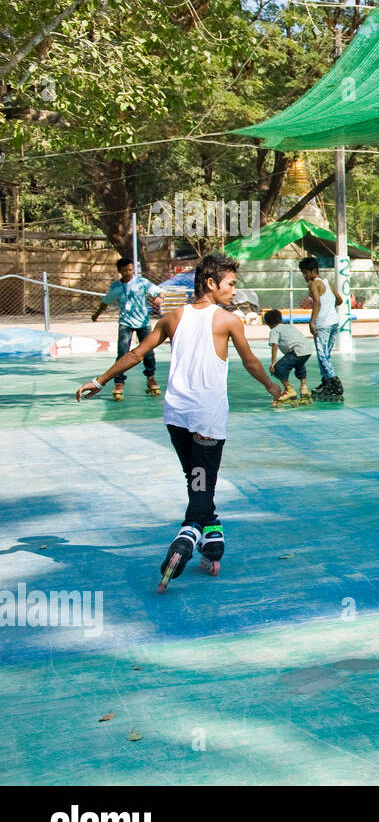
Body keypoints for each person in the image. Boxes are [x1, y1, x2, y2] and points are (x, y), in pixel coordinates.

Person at [76, 254, 283, 593]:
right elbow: (249, 361)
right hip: (207, 419)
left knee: (197, 482)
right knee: (203, 486)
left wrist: (99, 381)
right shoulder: (228, 320)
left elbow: (135, 354)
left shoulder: (172, 317)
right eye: (230, 284)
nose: (234, 291)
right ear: (212, 284)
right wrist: (272, 386)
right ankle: (185, 541)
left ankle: (213, 540)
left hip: (176, 417)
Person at [91, 257, 163, 401]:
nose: (128, 273)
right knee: (123, 353)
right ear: (119, 271)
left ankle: (151, 378)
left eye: (130, 270)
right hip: (125, 323)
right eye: (125, 270)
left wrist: (160, 297)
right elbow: (106, 302)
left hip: (143, 322)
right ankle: (119, 383)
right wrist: (96, 314)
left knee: (148, 352)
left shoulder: (142, 282)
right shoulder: (116, 287)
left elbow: (159, 291)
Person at [299, 256, 344, 401]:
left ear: (313, 271)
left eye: (306, 273)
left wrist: (312, 322)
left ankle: (335, 383)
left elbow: (317, 303)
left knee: (322, 355)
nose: (305, 276)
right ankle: (326, 382)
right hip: (334, 322)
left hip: (323, 324)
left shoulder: (313, 284)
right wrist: (329, 306)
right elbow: (340, 300)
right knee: (326, 354)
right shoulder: (327, 282)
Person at [263, 309, 315, 407]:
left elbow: (275, 345)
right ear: (281, 319)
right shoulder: (288, 327)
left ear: (268, 323)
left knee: (277, 368)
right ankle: (304, 388)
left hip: (296, 351)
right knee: (299, 365)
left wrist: (273, 363)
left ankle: (289, 390)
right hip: (307, 350)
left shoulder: (275, 330)